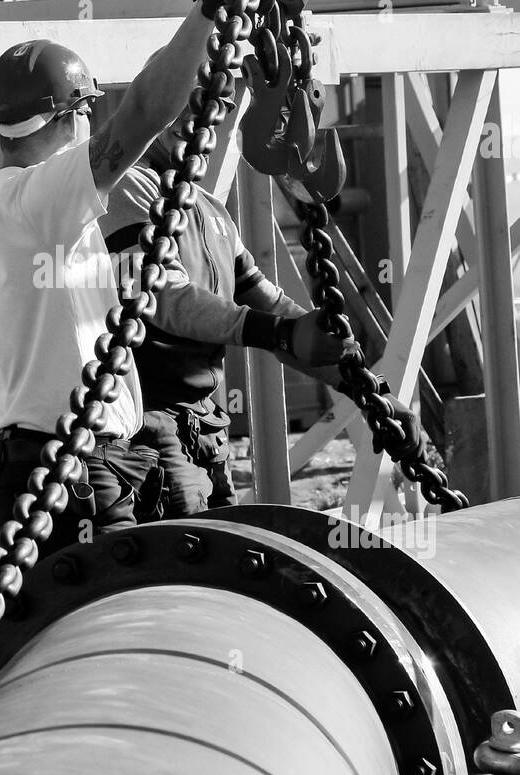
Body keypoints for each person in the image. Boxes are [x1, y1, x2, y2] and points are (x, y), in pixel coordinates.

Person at [0, 0, 236, 557]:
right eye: (87, 113)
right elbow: (141, 117)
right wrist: (207, 12)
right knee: (111, 631)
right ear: (71, 115)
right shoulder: (43, 197)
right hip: (76, 470)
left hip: (20, 469)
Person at [101, 106, 425, 516]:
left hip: (204, 428)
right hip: (150, 422)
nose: (194, 122)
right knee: (185, 560)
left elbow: (270, 304)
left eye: (203, 110)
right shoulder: (130, 189)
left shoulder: (212, 213)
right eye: (177, 110)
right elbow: (163, 297)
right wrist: (278, 332)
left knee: (216, 558)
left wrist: (368, 392)